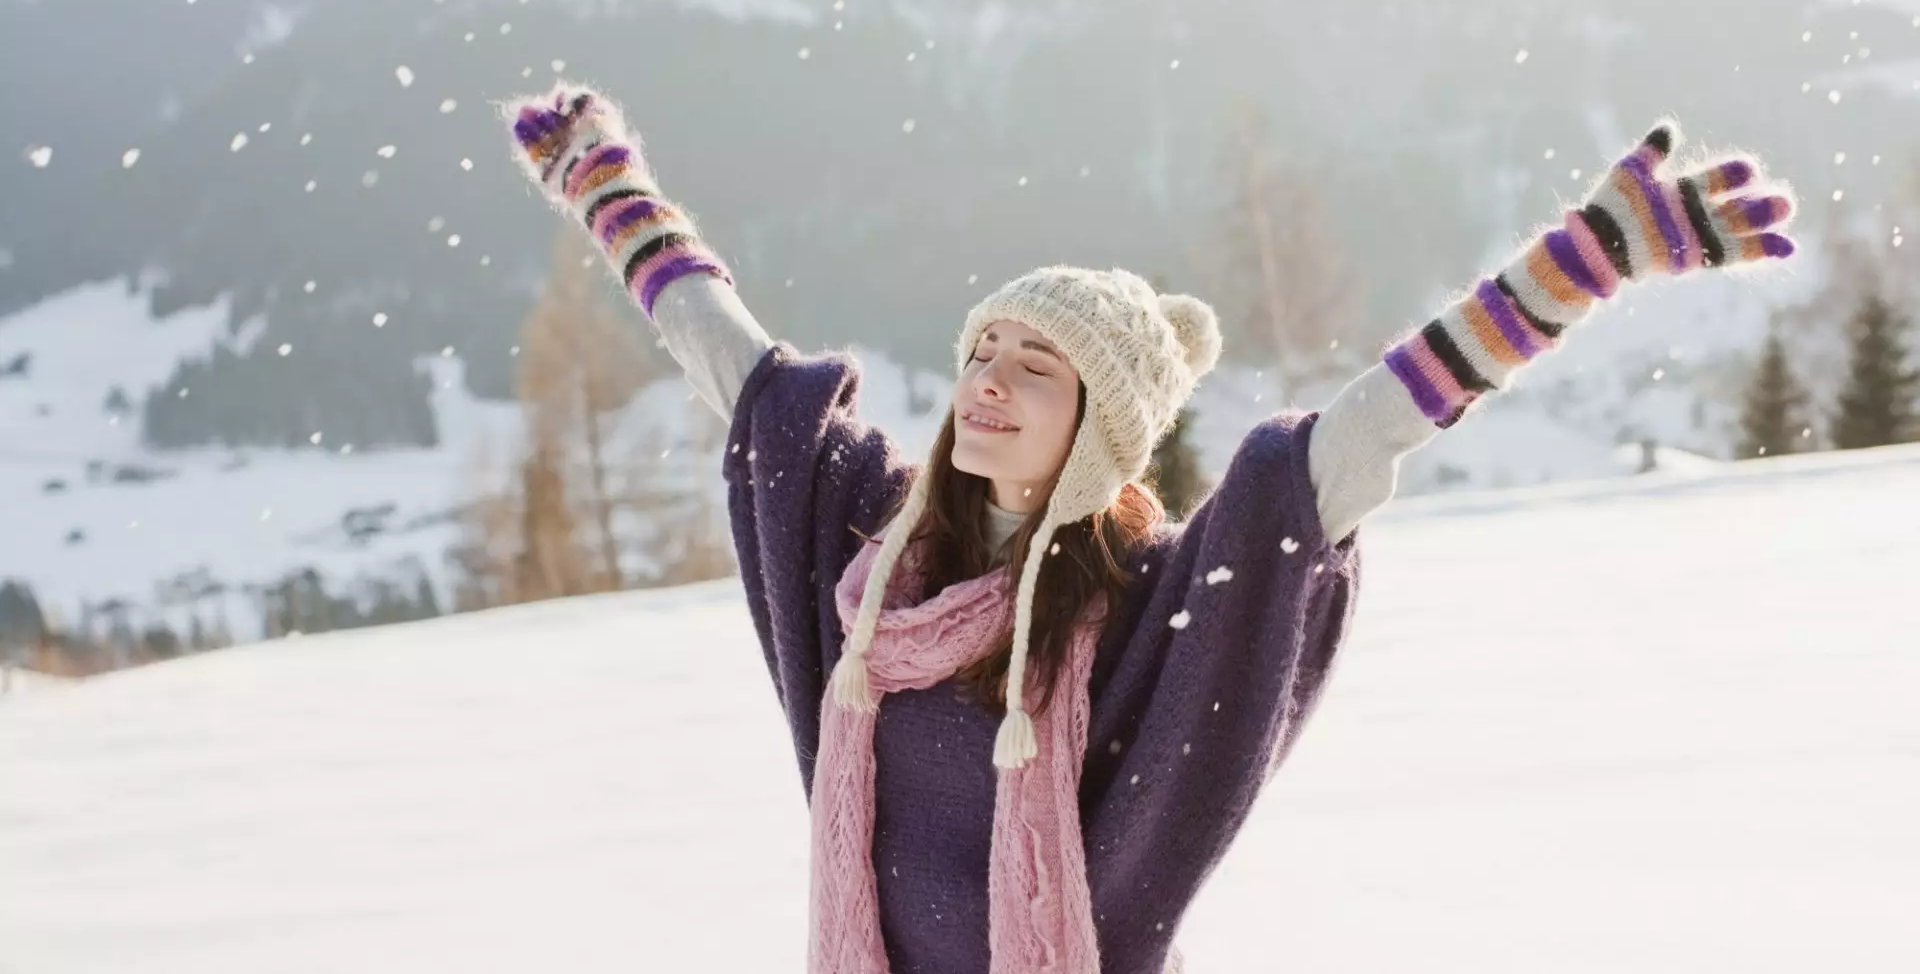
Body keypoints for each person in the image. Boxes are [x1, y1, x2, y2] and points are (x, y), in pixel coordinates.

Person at [507, 86, 1798, 974]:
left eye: (1038, 369)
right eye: (984, 352)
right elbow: (744, 376)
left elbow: (1342, 453)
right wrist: (612, 192)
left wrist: (1573, 268)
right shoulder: (881, 556)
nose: (991, 385)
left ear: (1101, 432)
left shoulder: (1142, 599)